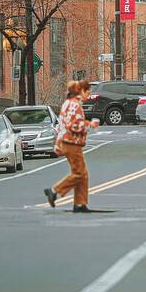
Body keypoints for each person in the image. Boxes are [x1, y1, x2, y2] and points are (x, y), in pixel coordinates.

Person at [45, 81, 92, 213]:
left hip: (68, 141)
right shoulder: (74, 105)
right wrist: (88, 125)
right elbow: (74, 125)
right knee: (79, 173)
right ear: (81, 91)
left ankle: (80, 203)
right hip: (72, 142)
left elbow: (62, 125)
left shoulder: (67, 103)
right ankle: (54, 191)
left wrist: (58, 142)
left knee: (83, 174)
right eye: (88, 92)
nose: (89, 94)